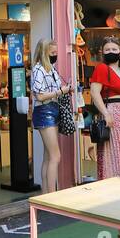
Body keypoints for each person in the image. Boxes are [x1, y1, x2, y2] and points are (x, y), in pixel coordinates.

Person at [89, 36, 120, 180]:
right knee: (118, 151)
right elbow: (94, 92)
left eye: (114, 49)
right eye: (107, 49)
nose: (111, 51)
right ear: (102, 53)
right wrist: (106, 114)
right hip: (114, 113)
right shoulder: (102, 68)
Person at [30, 39, 66, 193]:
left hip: (52, 109)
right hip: (45, 111)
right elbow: (40, 96)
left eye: (56, 53)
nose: (55, 56)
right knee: (55, 156)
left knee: (48, 156)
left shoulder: (51, 69)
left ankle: (46, 195)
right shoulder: (38, 69)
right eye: (52, 53)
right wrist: (61, 91)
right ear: (44, 53)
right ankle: (52, 196)